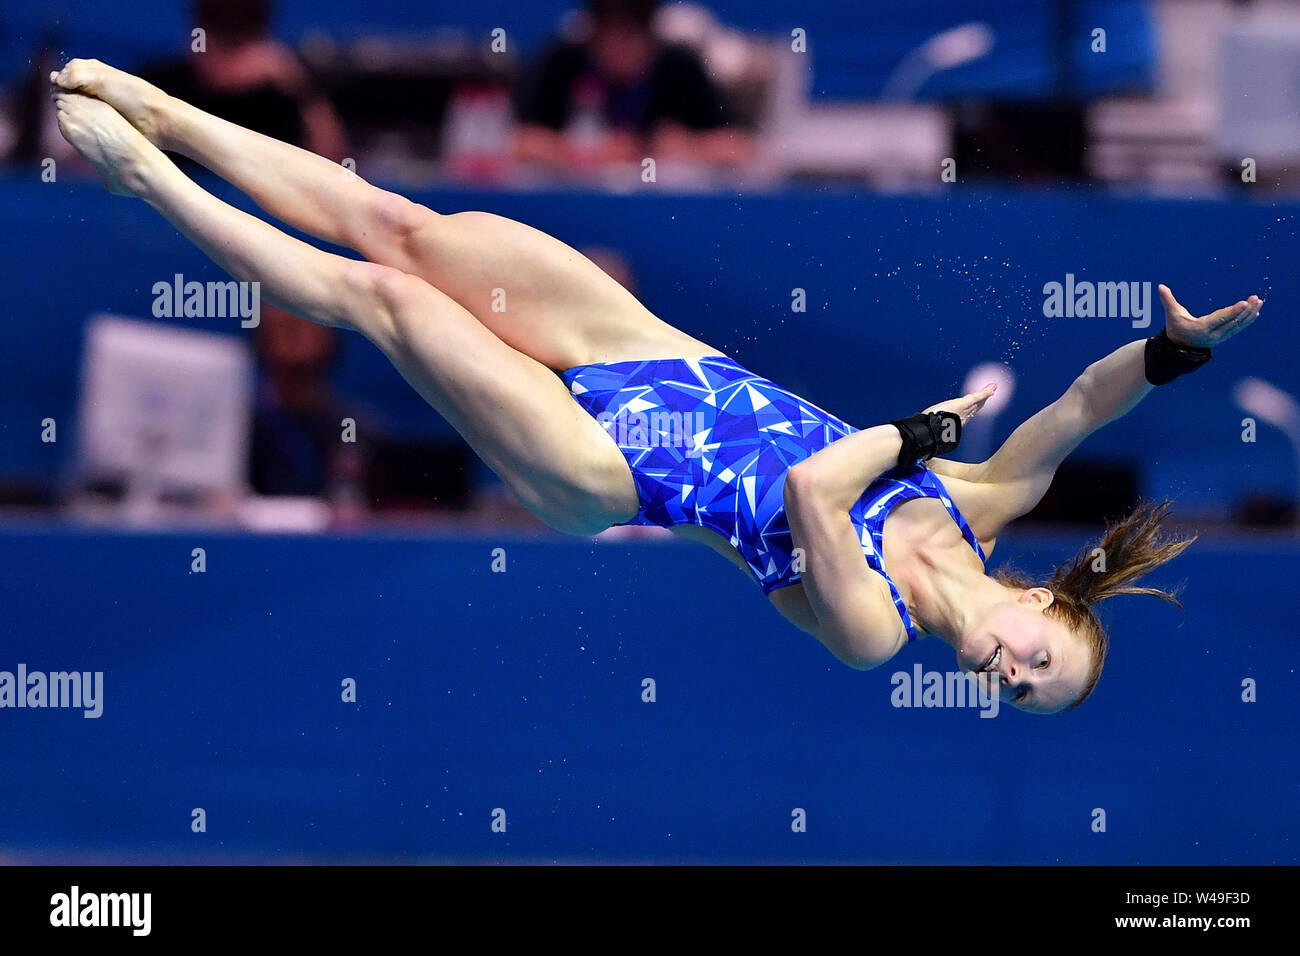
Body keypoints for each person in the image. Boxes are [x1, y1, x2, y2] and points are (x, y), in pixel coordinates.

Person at [50, 60, 1263, 713]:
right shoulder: (984, 501)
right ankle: (172, 112)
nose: (1012, 678)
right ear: (1043, 603)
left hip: (605, 471)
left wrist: (913, 432)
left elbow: (812, 489)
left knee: (383, 300)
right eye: (1041, 660)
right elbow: (1082, 406)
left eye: (1024, 698)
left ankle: (149, 180)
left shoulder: (873, 633)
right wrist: (1168, 355)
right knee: (401, 229)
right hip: (654, 353)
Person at [513, 0, 751, 170]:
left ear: (650, 36)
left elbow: (739, 147)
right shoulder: (563, 62)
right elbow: (520, 142)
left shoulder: (680, 68)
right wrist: (587, 153)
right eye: (607, 36)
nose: (617, 49)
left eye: (628, 36)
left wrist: (687, 146)